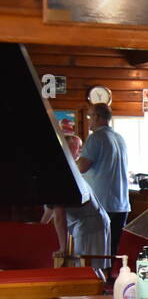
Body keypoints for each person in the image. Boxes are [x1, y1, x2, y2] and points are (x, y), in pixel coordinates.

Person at [43, 133, 111, 272]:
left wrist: (63, 248)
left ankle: (99, 293)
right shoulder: (60, 170)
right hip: (91, 222)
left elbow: (59, 217)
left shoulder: (59, 174)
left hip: (90, 224)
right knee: (91, 269)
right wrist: (40, 226)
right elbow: (51, 208)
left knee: (88, 270)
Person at [76, 103, 129, 256]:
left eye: (90, 116)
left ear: (97, 117)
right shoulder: (119, 138)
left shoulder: (96, 138)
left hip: (101, 205)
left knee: (96, 253)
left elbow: (81, 167)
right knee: (112, 251)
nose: (89, 120)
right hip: (121, 205)